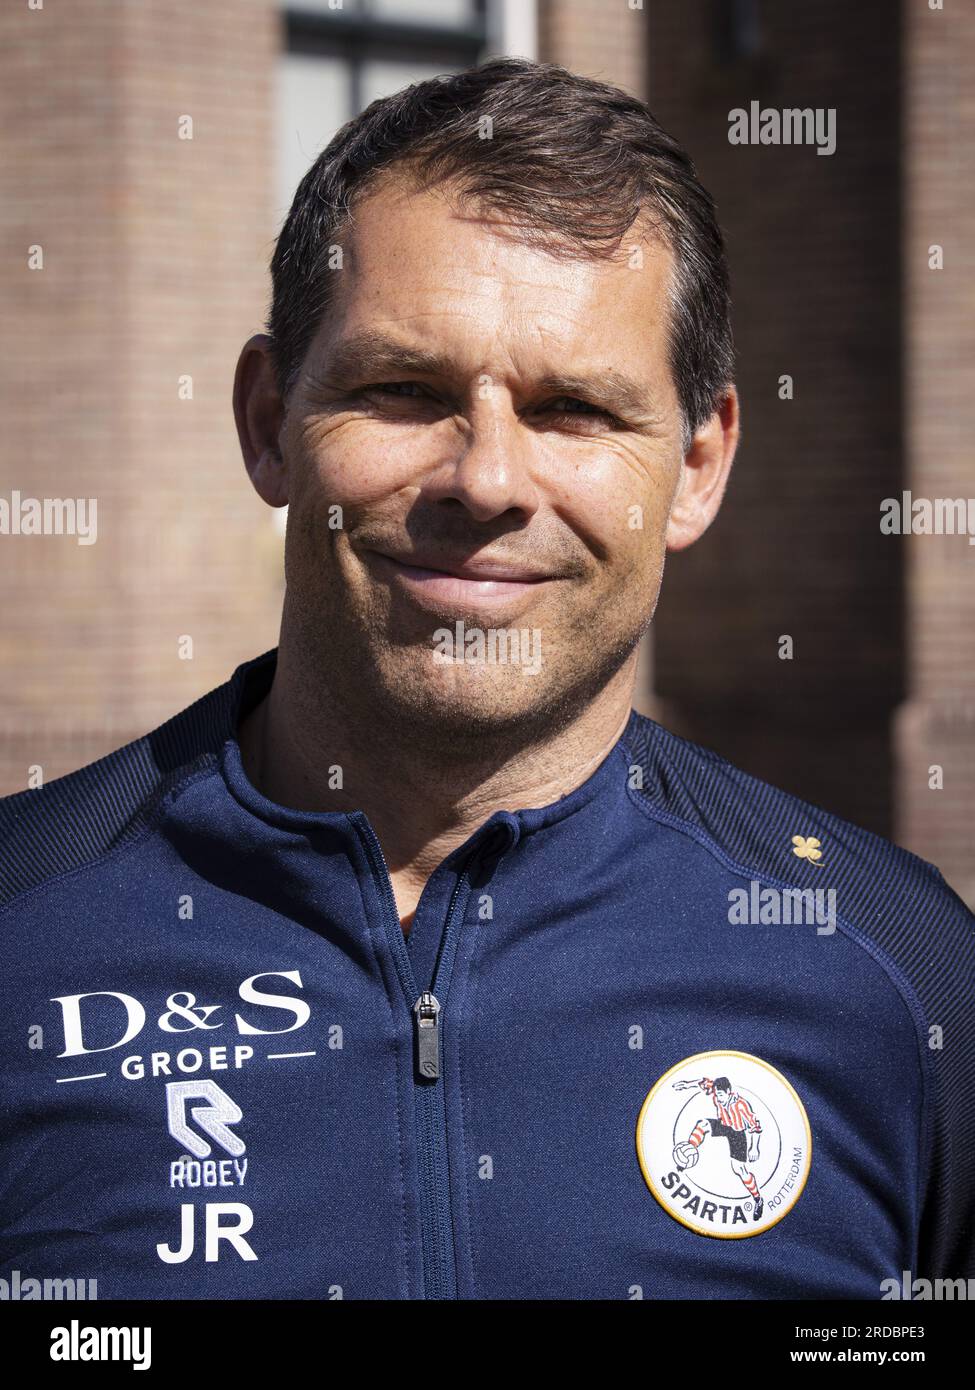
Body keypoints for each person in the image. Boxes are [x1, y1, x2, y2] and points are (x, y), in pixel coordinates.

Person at [1, 57, 972, 1301]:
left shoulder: (900, 973)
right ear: (266, 423)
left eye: (574, 409)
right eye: (403, 391)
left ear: (697, 465)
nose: (491, 480)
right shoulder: (25, 928)